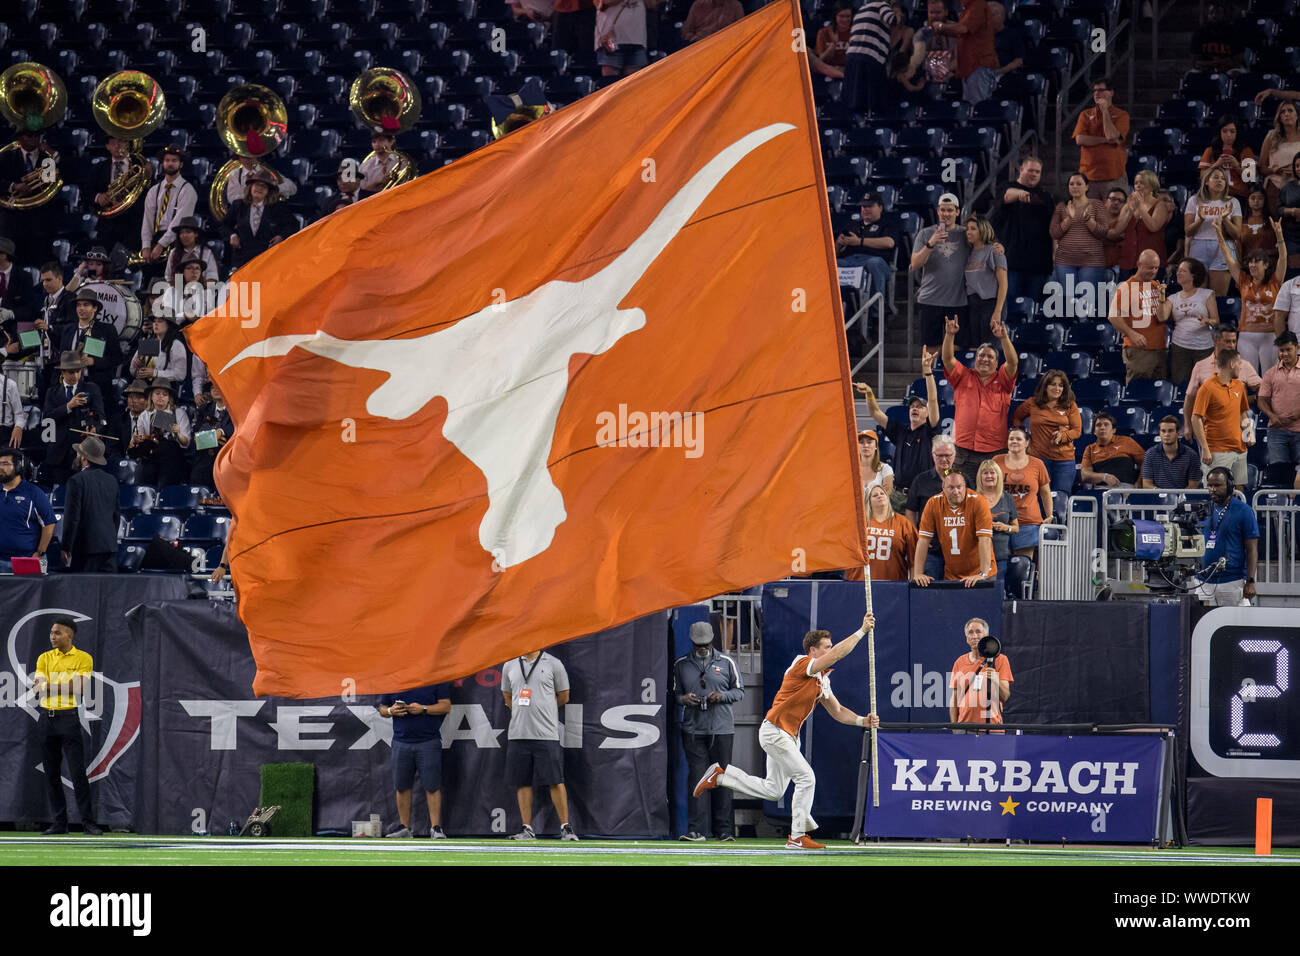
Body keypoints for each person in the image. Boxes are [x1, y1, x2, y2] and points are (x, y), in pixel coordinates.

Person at [693, 614, 880, 850]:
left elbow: (838, 710)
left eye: (831, 646)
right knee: (806, 778)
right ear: (813, 650)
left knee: (773, 790)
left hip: (788, 736)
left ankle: (720, 775)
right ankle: (797, 836)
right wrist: (862, 630)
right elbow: (838, 655)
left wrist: (864, 721)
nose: (830, 650)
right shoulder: (803, 663)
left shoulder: (822, 680)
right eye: (826, 647)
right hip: (776, 732)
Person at [32, 617, 103, 835]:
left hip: (68, 718)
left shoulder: (83, 658)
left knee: (77, 772)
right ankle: (59, 823)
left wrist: (49, 686)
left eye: (57, 633)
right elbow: (37, 690)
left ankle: (88, 823)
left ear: (69, 635)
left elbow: (80, 688)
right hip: (46, 719)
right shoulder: (44, 658)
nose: (52, 637)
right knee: (51, 773)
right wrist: (63, 685)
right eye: (52, 633)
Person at [674, 621, 743, 842]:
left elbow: (739, 691)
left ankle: (723, 830)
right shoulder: (681, 664)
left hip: (722, 729)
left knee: (722, 778)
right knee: (696, 780)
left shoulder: (727, 662)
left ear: (712, 641)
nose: (702, 648)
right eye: (698, 644)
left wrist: (721, 696)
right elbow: (674, 694)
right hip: (694, 730)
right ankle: (696, 830)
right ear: (692, 643)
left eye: (706, 644)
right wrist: (684, 699)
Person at [501, 648, 578, 841]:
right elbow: (507, 697)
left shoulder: (553, 663)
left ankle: (566, 828)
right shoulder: (509, 664)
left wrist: (544, 709)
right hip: (518, 733)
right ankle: (527, 829)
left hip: (546, 733)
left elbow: (564, 696)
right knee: (522, 781)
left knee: (555, 780)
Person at [942, 312, 1018, 488]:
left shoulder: (1004, 381)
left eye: (990, 356)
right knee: (959, 491)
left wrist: (1004, 338)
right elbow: (947, 358)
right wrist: (950, 335)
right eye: (981, 355)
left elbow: (1013, 363)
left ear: (997, 363)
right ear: (975, 359)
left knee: (991, 494)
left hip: (994, 452)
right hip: (962, 450)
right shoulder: (963, 376)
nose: (984, 359)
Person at [856, 346, 940, 502]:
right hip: (900, 495)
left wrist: (928, 371)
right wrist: (869, 394)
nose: (914, 409)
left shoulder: (930, 430)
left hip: (925, 495)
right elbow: (876, 414)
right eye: (912, 406)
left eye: (920, 407)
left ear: (928, 412)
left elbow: (933, 399)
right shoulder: (901, 431)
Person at [379, 683, 452, 839]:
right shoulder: (395, 679)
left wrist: (423, 709)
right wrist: (392, 710)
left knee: (432, 786)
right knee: (401, 786)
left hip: (428, 740)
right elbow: (382, 709)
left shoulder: (436, 678)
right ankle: (405, 827)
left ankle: (435, 828)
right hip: (401, 741)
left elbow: (446, 706)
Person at [1216, 217, 1287, 376]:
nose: (1252, 265)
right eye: (1250, 262)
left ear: (1266, 265)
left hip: (1269, 336)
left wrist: (1279, 236)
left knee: (1269, 377)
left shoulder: (1275, 282)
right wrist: (1218, 233)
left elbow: (1283, 259)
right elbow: (1228, 257)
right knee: (1247, 378)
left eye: (1257, 262)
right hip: (1247, 336)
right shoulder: (1243, 281)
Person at [912, 470, 996, 586]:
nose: (956, 492)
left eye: (959, 487)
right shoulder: (933, 503)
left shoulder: (978, 501)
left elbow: (985, 540)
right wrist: (918, 573)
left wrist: (982, 574)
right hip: (952, 574)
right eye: (951, 488)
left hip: (981, 572)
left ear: (965, 486)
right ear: (943, 487)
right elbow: (923, 540)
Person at [989, 155, 1054, 305]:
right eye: (1030, 170)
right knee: (1009, 307)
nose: (1034, 174)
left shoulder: (1045, 196)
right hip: (1011, 263)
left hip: (1039, 264)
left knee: (1035, 306)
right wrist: (1018, 194)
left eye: (1037, 172)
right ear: (1021, 170)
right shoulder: (1005, 187)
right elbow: (1006, 195)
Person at [1193, 466, 1257, 606]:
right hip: (1203, 581)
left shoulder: (1244, 511)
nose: (1213, 489)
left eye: (1217, 485)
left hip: (1232, 581)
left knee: (1236, 626)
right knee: (1201, 625)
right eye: (1209, 486)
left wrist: (1250, 581)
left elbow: (1252, 549)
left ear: (1230, 485)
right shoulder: (1204, 510)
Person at [911, 193, 969, 348]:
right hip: (930, 300)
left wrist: (998, 247)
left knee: (956, 348)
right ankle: (929, 374)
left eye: (950, 210)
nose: (946, 214)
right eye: (943, 210)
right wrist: (931, 243)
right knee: (930, 348)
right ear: (938, 211)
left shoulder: (965, 234)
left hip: (957, 301)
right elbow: (915, 264)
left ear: (957, 212)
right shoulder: (925, 233)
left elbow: (985, 245)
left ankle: (951, 374)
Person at [40, 353, 106, 486]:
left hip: (83, 453)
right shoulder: (52, 392)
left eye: (78, 371)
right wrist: (69, 406)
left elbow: (100, 416)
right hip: (59, 455)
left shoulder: (91, 389)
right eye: (71, 372)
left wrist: (95, 429)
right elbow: (47, 419)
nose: (75, 376)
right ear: (63, 372)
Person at [1050, 172, 1111, 315]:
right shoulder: (1061, 207)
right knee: (1069, 303)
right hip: (1065, 262)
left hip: (1091, 262)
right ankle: (1070, 331)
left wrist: (1088, 221)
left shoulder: (1097, 205)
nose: (1075, 187)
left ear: (1087, 187)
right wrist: (1068, 221)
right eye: (1072, 184)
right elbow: (1054, 233)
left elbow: (1103, 232)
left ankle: (1087, 331)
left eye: (1079, 184)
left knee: (1087, 302)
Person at [1011, 369, 1081, 494]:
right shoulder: (1032, 403)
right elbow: (1016, 417)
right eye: (1053, 384)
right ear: (1045, 386)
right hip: (1038, 459)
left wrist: (1063, 436)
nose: (1057, 388)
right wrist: (1023, 438)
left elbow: (1077, 431)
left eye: (1061, 385)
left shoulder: (1070, 405)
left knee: (1061, 499)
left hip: (1064, 461)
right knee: (1037, 497)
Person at [1192, 348, 1253, 486]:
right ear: (1231, 364)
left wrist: (1248, 434)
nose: (1240, 367)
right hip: (1216, 451)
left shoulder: (1239, 386)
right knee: (1216, 492)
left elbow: (1242, 412)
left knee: (1239, 491)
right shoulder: (1207, 388)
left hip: (1239, 449)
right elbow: (1195, 418)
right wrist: (1205, 449)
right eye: (1239, 364)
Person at [1108, 248, 1169, 384]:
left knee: (1158, 395)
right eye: (1149, 268)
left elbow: (1162, 316)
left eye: (1156, 268)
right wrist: (1132, 334)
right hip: (1139, 351)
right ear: (1139, 265)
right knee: (1139, 390)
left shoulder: (1155, 285)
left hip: (1159, 349)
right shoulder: (1127, 287)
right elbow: (1113, 316)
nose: (1153, 271)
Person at [61, 436, 120, 573]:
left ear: (83, 457)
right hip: (109, 548)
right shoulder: (112, 480)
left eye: (78, 452)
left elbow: (72, 518)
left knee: (84, 593)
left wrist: (66, 547)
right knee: (109, 593)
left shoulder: (76, 481)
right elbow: (116, 516)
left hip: (86, 550)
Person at [139, 144, 198, 279]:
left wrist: (161, 244)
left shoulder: (187, 190)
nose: (170, 164)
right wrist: (146, 245)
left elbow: (180, 221)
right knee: (152, 282)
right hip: (156, 237)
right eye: (167, 160)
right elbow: (147, 220)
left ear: (181, 164)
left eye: (174, 161)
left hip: (176, 240)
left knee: (173, 280)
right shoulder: (154, 190)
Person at [994, 426, 1052, 557]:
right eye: (1011, 439)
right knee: (1002, 564)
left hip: (1028, 523)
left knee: (1021, 565)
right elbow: (987, 488)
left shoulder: (1038, 464)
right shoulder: (996, 460)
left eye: (1018, 439)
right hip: (1001, 521)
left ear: (1027, 443)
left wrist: (1049, 515)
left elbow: (1045, 492)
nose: (1014, 441)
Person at [836, 191, 903, 304]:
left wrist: (859, 242)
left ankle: (876, 314)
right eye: (863, 206)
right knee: (834, 264)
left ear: (880, 207)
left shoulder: (887, 224)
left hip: (876, 262)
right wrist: (838, 243)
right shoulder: (853, 224)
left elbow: (889, 242)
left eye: (870, 206)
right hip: (851, 261)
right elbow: (835, 253)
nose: (865, 209)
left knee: (874, 263)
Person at [1161, 256, 1219, 386]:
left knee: (1206, 385)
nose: (1178, 273)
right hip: (1180, 347)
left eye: (1183, 271)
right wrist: (1161, 297)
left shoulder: (1207, 294)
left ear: (1193, 275)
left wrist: (1208, 320)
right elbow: (1162, 317)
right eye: (1178, 270)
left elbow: (1216, 321)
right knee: (1181, 384)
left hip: (1204, 347)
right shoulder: (1172, 298)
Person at [906, 435, 959, 577]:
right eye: (939, 455)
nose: (943, 459)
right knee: (931, 592)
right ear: (933, 456)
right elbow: (910, 511)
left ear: (954, 455)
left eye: (948, 455)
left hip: (957, 549)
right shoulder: (920, 480)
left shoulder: (962, 480)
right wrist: (917, 536)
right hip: (930, 549)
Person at [59, 289, 124, 406]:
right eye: (78, 305)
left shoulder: (107, 330)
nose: (81, 308)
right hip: (70, 386)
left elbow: (117, 358)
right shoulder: (68, 329)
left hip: (97, 385)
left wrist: (94, 361)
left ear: (95, 308)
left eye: (86, 305)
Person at [221, 170, 295, 271]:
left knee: (263, 287)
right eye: (257, 184)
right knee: (244, 287)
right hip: (242, 261)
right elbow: (224, 226)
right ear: (250, 187)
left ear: (269, 191)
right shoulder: (238, 205)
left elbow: (293, 225)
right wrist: (232, 235)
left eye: (264, 186)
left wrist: (281, 236)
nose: (259, 188)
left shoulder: (278, 208)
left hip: (268, 260)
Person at [1185, 167, 1242, 296]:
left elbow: (1237, 234)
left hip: (1224, 246)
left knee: (1218, 295)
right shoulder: (1194, 200)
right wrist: (1200, 220)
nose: (1220, 181)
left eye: (1223, 178)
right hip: (1198, 245)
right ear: (1206, 182)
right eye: (1215, 177)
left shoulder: (1233, 202)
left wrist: (1225, 219)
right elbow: (1188, 231)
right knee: (1198, 294)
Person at [928, 0, 997, 104]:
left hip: (978, 64)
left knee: (978, 106)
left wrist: (942, 26)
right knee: (969, 105)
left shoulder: (977, 5)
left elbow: (964, 29)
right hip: (968, 66)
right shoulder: (967, 9)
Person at [1072, 79, 1130, 200]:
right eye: (1094, 91)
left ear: (1111, 93)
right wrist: (1104, 141)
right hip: (1088, 177)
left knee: (1115, 215)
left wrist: (1105, 112)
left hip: (1113, 177)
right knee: (1090, 216)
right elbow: (1080, 139)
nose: (1096, 93)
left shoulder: (1122, 115)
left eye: (1101, 90)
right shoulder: (1085, 114)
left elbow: (1111, 135)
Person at [949, 617, 1012, 726]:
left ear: (986, 636)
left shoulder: (1000, 660)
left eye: (978, 632)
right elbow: (955, 698)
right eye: (970, 632)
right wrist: (954, 726)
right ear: (966, 638)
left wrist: (996, 680)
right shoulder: (959, 662)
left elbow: (1005, 696)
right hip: (964, 729)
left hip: (991, 728)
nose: (974, 636)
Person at [1110, 170, 1173, 280]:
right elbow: (1118, 230)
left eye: (1142, 183)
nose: (1138, 186)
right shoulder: (1127, 206)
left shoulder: (1160, 205)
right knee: (1128, 296)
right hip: (1129, 260)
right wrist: (1130, 210)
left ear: (1152, 185)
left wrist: (1140, 207)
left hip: (1150, 262)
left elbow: (1153, 227)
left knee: (1148, 296)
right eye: (1136, 183)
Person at [0, 448, 55, 571]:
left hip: (29, 559)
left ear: (19, 467)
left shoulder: (34, 493)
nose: (0, 467)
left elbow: (49, 524)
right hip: (1, 561)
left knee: (39, 591)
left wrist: (40, 553)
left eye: (5, 464)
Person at [840, 0, 897, 117]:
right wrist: (897, 11)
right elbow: (893, 20)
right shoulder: (882, 5)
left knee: (854, 101)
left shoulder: (861, 10)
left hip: (852, 58)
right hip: (870, 57)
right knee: (873, 102)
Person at [131, 381, 192, 489]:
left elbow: (186, 443)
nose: (161, 397)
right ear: (151, 396)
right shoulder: (144, 415)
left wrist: (177, 433)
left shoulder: (179, 413)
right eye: (157, 393)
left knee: (165, 484)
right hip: (150, 455)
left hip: (171, 456)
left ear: (169, 398)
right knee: (142, 478)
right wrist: (137, 439)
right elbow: (141, 439)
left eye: (165, 394)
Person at [1258, 331, 1300, 487]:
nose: (1284, 354)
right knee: (1279, 471)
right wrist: (1271, 415)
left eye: (1288, 349)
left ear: (1297, 348)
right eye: (1281, 350)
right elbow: (1261, 400)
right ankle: (1281, 508)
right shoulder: (1270, 373)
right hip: (1277, 430)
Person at [853, 483, 918, 581]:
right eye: (875, 495)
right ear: (868, 501)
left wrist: (913, 585)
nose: (879, 495)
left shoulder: (903, 523)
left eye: (882, 493)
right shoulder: (859, 523)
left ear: (888, 498)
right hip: (861, 583)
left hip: (894, 585)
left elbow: (914, 559)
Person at [962, 215, 1007, 349]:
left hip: (991, 303)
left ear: (983, 230)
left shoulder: (994, 250)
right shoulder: (969, 252)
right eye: (967, 229)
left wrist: (998, 311)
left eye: (973, 229)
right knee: (975, 348)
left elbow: (1003, 284)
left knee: (989, 349)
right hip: (973, 304)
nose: (969, 232)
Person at [1080, 411, 1145, 487]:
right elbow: (1085, 475)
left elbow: (1146, 461)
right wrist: (1104, 477)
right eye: (1098, 425)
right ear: (1094, 431)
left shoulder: (1126, 441)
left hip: (1126, 488)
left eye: (1106, 425)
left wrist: (1140, 481)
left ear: (1114, 430)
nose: (1102, 427)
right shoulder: (1090, 449)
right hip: (1101, 490)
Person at [975, 458, 1017, 578]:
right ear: (980, 477)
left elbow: (1016, 528)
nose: (989, 476)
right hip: (977, 557)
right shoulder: (973, 497)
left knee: (997, 591)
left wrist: (1005, 527)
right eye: (985, 473)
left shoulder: (1007, 498)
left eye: (992, 473)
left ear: (998, 476)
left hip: (1000, 556)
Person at [594, 0, 655, 81]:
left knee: (634, 82)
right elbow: (605, 2)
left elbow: (653, 5)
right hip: (612, 41)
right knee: (610, 81)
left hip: (636, 40)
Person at [1198, 115, 1254, 201]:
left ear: (1237, 133)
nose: (1228, 135)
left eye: (1232, 131)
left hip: (1238, 195)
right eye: (1224, 131)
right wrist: (1217, 165)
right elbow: (1203, 178)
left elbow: (1250, 179)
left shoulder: (1246, 151)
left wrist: (1237, 166)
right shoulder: (1210, 151)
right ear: (1219, 132)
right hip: (1215, 195)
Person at [191, 380, 234, 488]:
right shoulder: (203, 409)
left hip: (226, 458)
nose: (215, 389)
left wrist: (221, 431)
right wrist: (216, 436)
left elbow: (237, 429)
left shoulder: (236, 409)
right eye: (212, 387)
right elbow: (196, 437)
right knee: (197, 478)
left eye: (219, 386)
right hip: (204, 457)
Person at [1260, 101, 1300, 215]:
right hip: (1276, 186)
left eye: (1290, 110)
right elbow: (1261, 167)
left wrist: (1297, 172)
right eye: (1282, 112)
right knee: (1277, 226)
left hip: (1298, 187)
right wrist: (1274, 170)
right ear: (1279, 118)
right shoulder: (1271, 137)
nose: (1286, 114)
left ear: (1297, 115)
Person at [1140, 415, 1202, 488]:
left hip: (1182, 498)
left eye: (1170, 431)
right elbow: (1146, 484)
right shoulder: (1150, 454)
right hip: (1157, 497)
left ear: (1178, 433)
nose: (1166, 434)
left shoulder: (1191, 455)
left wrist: (1178, 497)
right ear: (1159, 433)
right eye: (1163, 431)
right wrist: (1162, 494)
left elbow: (1193, 485)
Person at [162, 217, 220, 285]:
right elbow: (168, 277)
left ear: (196, 234)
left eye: (188, 232)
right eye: (181, 233)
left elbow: (212, 276)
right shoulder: (174, 253)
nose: (184, 235)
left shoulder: (206, 252)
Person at [1238, 186, 1277, 264]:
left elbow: (1278, 245)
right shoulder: (1241, 222)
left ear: (1265, 200)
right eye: (1253, 198)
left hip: (1269, 264)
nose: (1256, 201)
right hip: (1247, 265)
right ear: (1248, 200)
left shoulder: (1272, 221)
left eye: (1260, 198)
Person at [989, 1, 1025, 78]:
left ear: (1001, 17)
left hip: (1004, 74)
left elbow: (1018, 61)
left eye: (991, 16)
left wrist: (1001, 71)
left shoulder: (1012, 35)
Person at [1278, 155, 1300, 277]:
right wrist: (1292, 211)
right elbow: (1279, 209)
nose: (1299, 169)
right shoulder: (1287, 188)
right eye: (1297, 166)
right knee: (1295, 274)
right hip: (1292, 237)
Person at [857, 428, 894, 498]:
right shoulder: (851, 469)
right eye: (861, 442)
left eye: (869, 442)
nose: (865, 445)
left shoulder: (885, 469)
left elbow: (886, 496)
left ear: (876, 446)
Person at [815, 3, 854, 68]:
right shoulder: (823, 33)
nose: (845, 19)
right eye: (841, 16)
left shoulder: (855, 32)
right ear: (835, 16)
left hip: (850, 70)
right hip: (829, 70)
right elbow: (820, 60)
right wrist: (833, 45)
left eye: (848, 16)